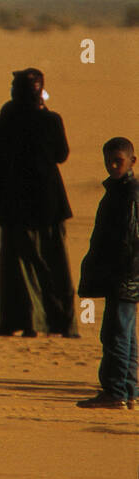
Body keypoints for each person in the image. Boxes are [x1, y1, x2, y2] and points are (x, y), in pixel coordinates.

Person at [0, 68, 78, 337]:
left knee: (15, 265)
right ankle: (60, 323)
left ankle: (19, 322)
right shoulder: (50, 120)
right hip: (48, 205)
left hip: (13, 205)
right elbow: (61, 155)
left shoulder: (2, 121)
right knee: (53, 263)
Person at [76, 137, 139, 409]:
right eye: (109, 161)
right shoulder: (119, 191)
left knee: (117, 333)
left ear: (132, 161)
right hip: (122, 276)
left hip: (125, 276)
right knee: (124, 333)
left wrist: (118, 274)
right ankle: (128, 391)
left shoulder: (130, 194)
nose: (113, 166)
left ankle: (116, 392)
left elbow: (128, 240)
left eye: (119, 161)